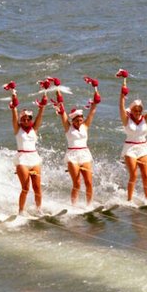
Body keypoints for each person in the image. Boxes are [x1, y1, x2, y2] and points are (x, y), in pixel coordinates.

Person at [118, 70, 147, 203]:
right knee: (133, 174)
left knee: (145, 175)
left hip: (143, 147)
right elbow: (121, 106)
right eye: (135, 110)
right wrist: (122, 93)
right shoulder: (126, 119)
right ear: (131, 110)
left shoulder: (145, 118)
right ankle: (129, 199)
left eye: (139, 110)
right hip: (130, 148)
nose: (138, 112)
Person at [57, 78, 100, 206]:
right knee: (77, 183)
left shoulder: (85, 126)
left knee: (89, 182)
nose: (79, 122)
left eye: (80, 120)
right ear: (73, 121)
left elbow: (93, 110)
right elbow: (62, 110)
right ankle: (74, 205)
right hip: (72, 156)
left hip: (85, 155)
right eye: (76, 120)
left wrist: (95, 90)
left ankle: (89, 205)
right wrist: (58, 90)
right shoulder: (68, 127)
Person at [9, 86, 46, 215]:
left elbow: (40, 115)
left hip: (34, 159)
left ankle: (39, 209)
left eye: (28, 119)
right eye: (23, 119)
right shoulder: (17, 129)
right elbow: (14, 115)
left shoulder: (34, 129)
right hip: (22, 160)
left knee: (37, 188)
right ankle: (21, 211)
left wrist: (42, 105)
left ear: (31, 120)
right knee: (25, 188)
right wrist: (14, 98)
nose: (25, 121)